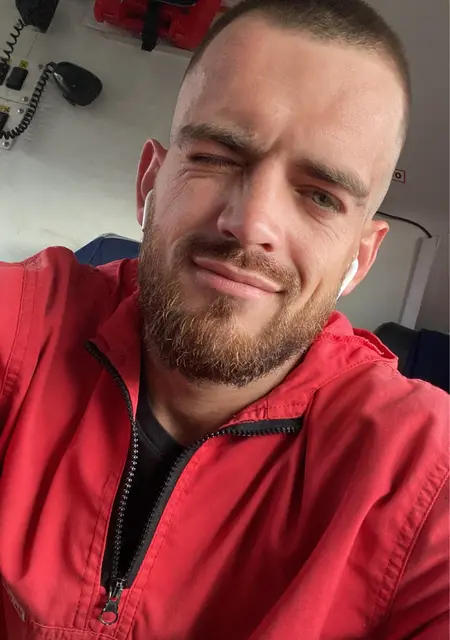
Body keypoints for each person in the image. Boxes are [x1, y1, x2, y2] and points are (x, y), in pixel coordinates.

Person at [0, 0, 448, 637]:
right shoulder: (25, 327)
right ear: (149, 184)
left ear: (360, 258)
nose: (251, 222)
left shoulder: (419, 478)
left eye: (320, 196)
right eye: (216, 157)